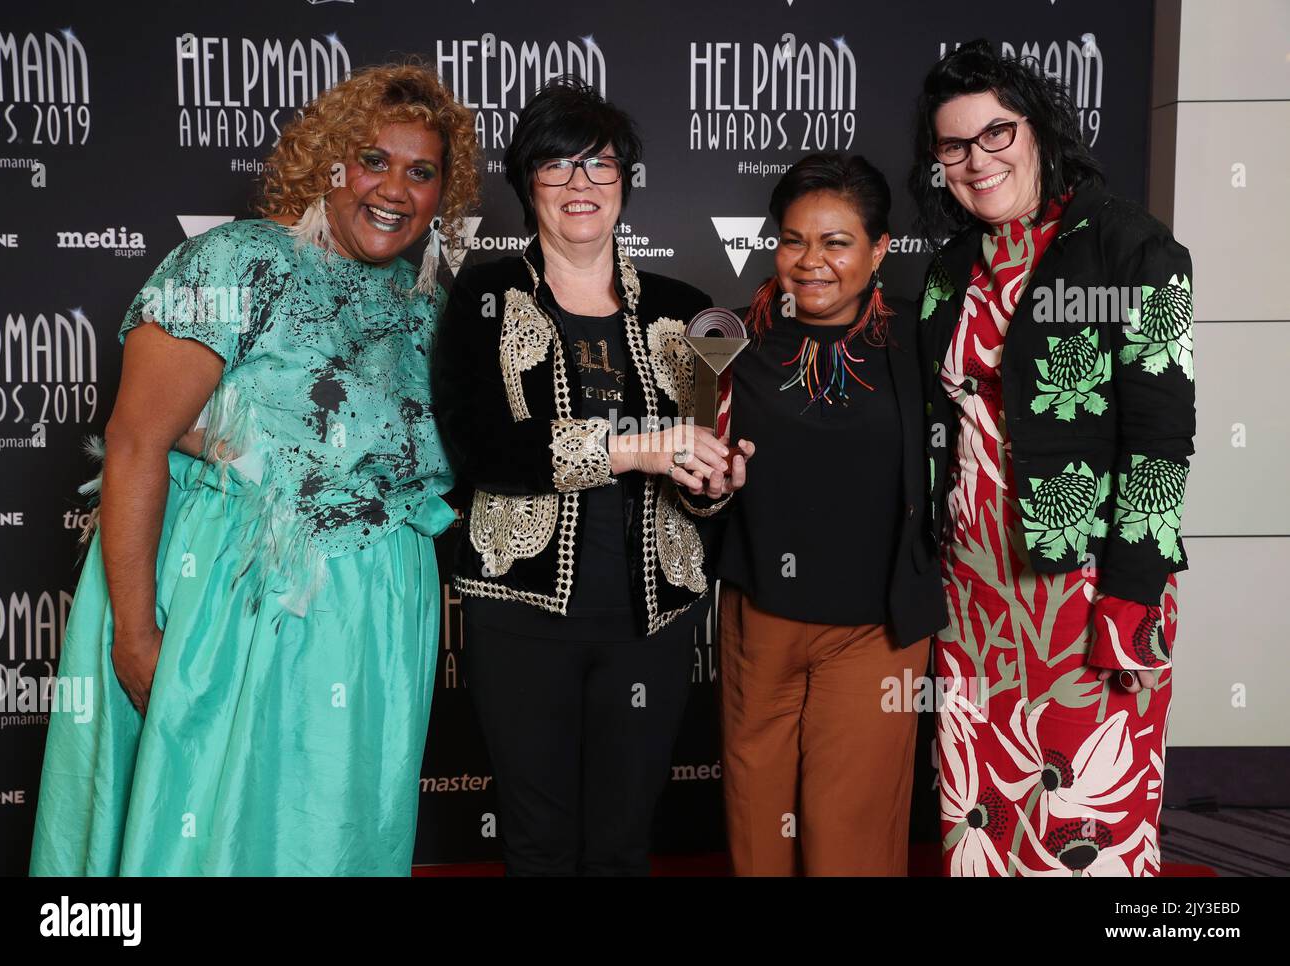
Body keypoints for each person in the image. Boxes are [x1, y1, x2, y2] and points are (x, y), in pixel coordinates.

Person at [30, 63, 481, 876]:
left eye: (422, 172)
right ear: (329, 164)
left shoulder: (428, 305)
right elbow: (136, 445)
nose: (395, 189)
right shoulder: (236, 262)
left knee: (336, 837)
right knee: (216, 828)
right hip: (239, 602)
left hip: (375, 630)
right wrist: (134, 633)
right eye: (372, 160)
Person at [432, 78, 751, 876]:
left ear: (626, 183)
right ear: (526, 182)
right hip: (521, 615)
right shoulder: (485, 294)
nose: (581, 185)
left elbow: (700, 450)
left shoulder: (688, 310)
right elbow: (484, 451)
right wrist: (639, 447)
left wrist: (714, 479)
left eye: (600, 165)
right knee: (537, 840)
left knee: (621, 841)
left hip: (650, 619)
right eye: (557, 164)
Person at [909, 40, 1195, 877]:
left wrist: (1130, 600)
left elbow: (1161, 442)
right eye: (954, 145)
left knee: (1082, 821)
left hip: (1085, 590)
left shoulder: (1131, 249)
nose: (977, 160)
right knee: (978, 813)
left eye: (996, 133)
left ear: (1039, 130)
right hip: (973, 601)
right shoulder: (950, 270)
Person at [715, 153, 947, 876]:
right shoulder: (718, 336)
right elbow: (691, 476)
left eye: (837, 242)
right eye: (793, 240)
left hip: (875, 631)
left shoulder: (920, 337)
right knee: (758, 836)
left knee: (852, 841)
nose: (811, 262)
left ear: (880, 250)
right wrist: (707, 480)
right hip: (760, 618)